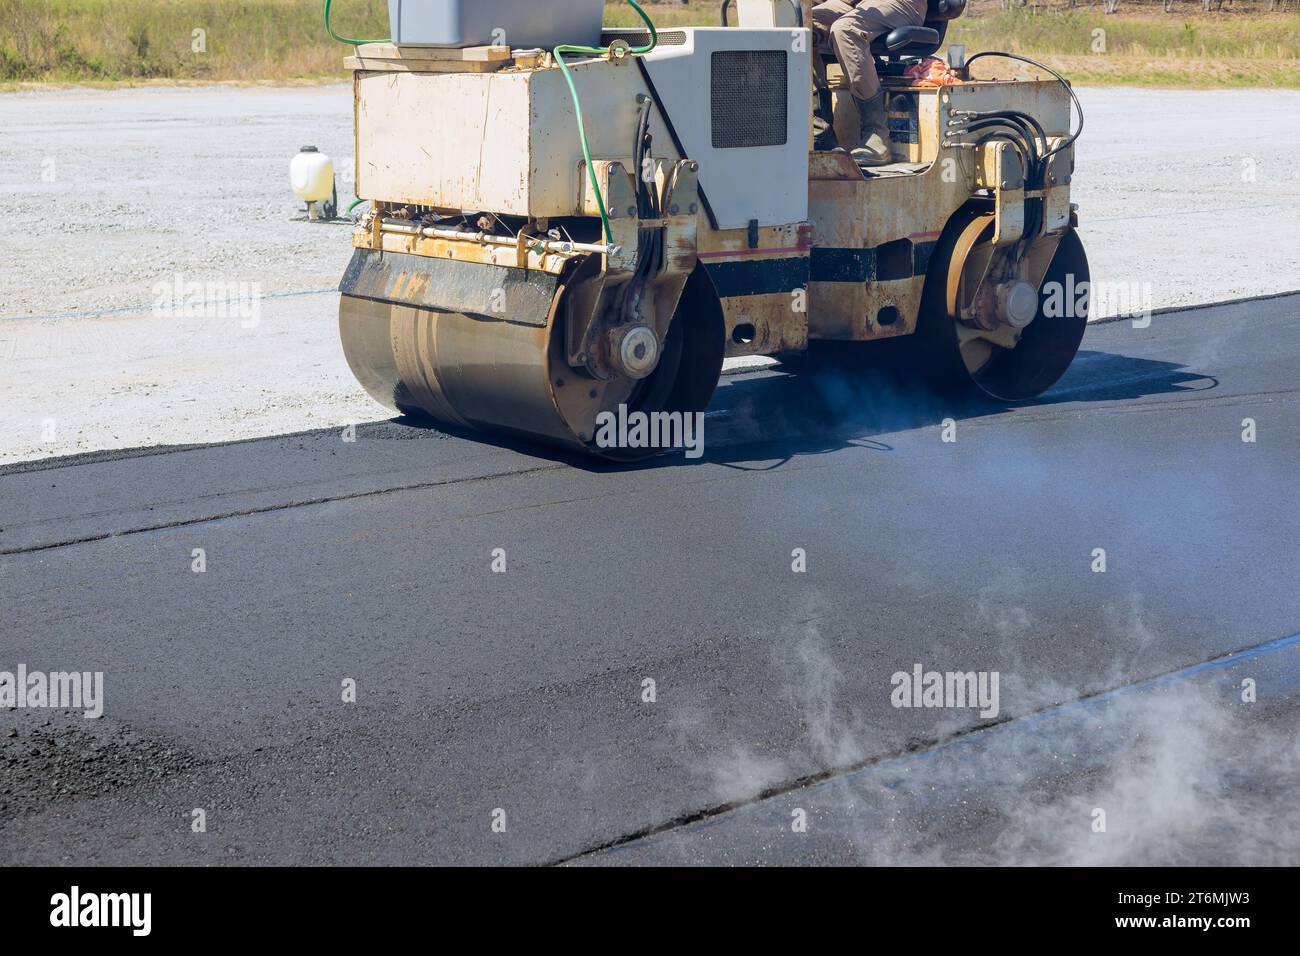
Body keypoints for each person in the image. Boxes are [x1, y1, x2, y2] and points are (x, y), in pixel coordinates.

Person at [811, 0, 928, 166]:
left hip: (899, 3)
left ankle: (877, 134)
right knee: (800, 25)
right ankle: (821, 135)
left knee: (846, 29)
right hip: (853, 4)